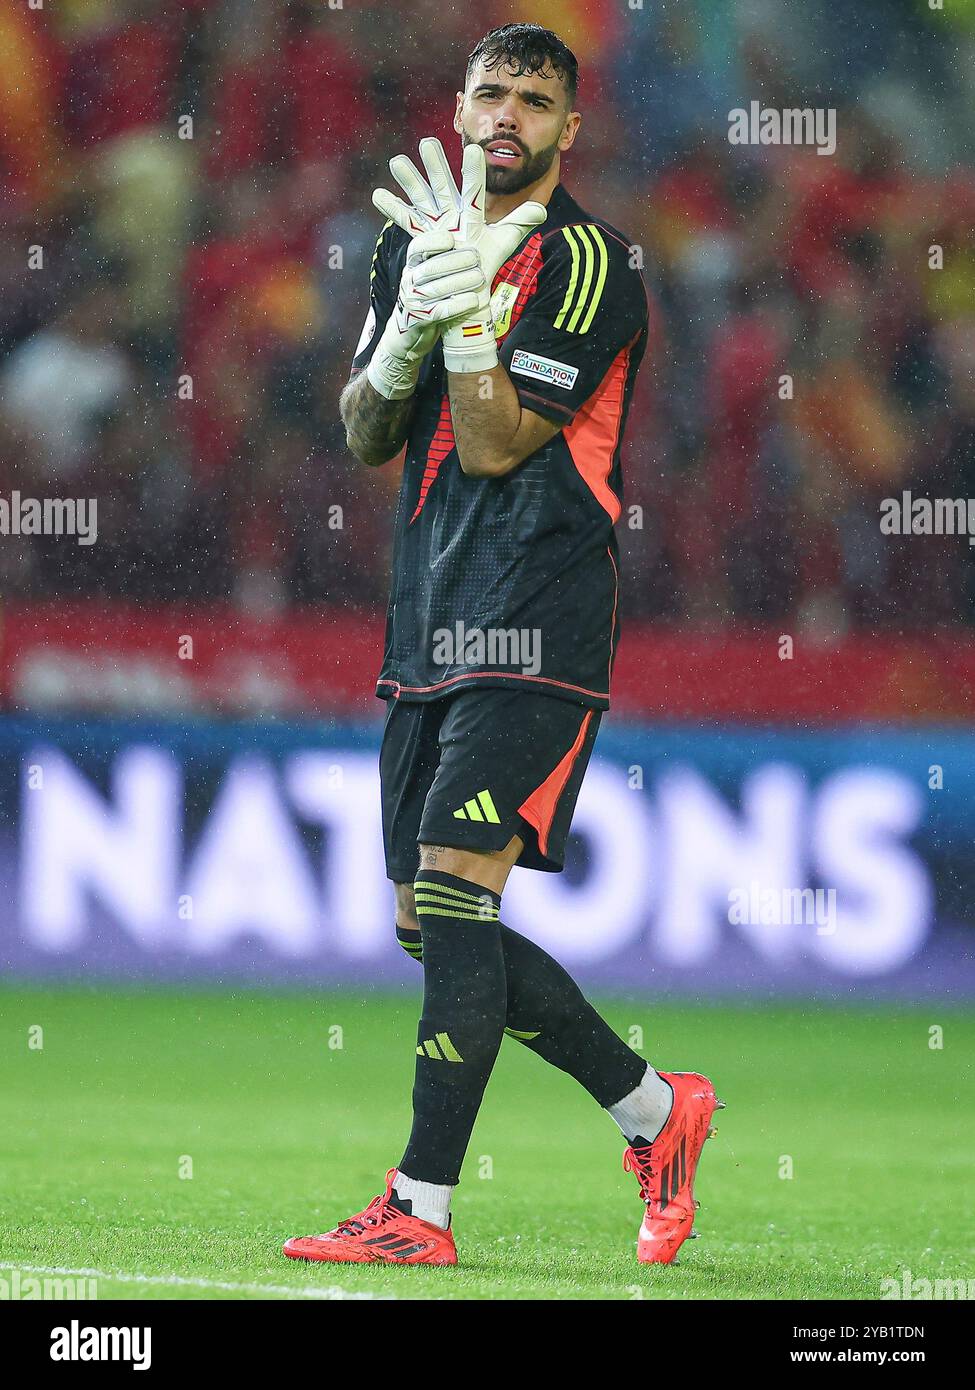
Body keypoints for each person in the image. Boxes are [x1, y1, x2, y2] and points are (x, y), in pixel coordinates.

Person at [284, 22, 722, 1270]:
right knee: (432, 919)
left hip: (539, 610)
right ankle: (655, 1109)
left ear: (569, 128)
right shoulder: (410, 242)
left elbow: (493, 441)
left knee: (451, 891)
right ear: (460, 105)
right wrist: (412, 321)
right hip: (428, 612)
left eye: (537, 99)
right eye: (492, 92)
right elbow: (370, 431)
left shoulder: (591, 263)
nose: (508, 116)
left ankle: (418, 1208)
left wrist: (468, 317)